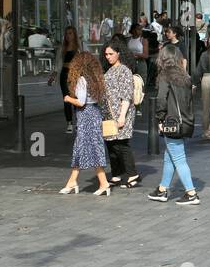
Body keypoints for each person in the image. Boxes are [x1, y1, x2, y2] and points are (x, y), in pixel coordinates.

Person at [149, 43, 200, 205]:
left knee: (178, 157)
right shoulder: (184, 76)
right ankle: (162, 189)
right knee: (170, 156)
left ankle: (191, 193)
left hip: (172, 121)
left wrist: (160, 118)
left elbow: (161, 100)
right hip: (185, 121)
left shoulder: (165, 75)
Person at [58, 50, 112, 196]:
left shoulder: (82, 80)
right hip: (94, 114)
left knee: (87, 148)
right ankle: (72, 181)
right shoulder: (95, 79)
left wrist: (68, 99)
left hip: (85, 116)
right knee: (84, 148)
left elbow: (81, 102)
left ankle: (103, 183)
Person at [102, 36, 140, 188]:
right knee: (111, 144)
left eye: (111, 54)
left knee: (122, 144)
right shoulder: (110, 70)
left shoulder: (124, 70)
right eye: (106, 54)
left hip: (121, 112)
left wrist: (122, 116)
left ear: (118, 53)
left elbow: (127, 95)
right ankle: (117, 173)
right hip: (109, 113)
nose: (108, 57)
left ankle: (132, 174)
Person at [47, 26, 80, 134]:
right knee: (66, 98)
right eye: (66, 33)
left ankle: (79, 122)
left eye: (70, 33)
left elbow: (86, 60)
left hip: (76, 75)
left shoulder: (80, 47)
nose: (68, 36)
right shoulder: (62, 48)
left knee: (76, 98)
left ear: (74, 34)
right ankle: (69, 123)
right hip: (65, 74)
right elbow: (58, 63)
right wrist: (54, 75)